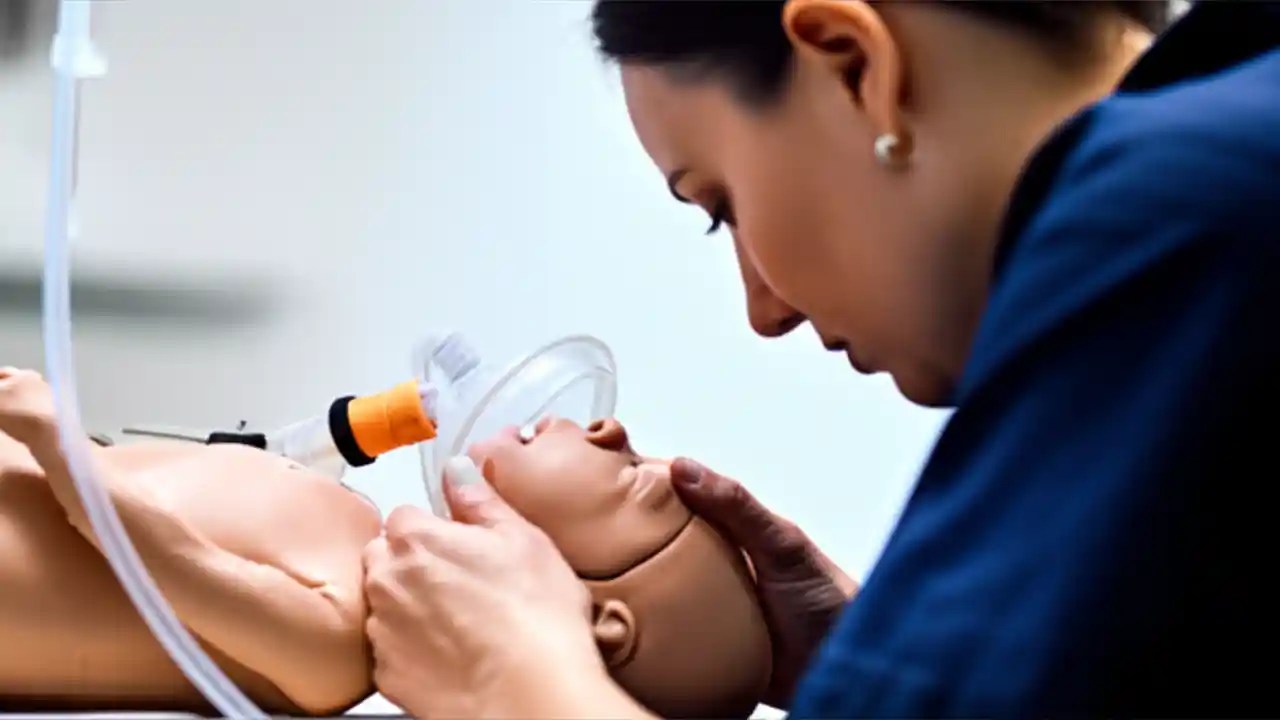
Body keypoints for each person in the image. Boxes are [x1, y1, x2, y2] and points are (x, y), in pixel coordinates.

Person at [361, 1, 1280, 717]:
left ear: (854, 64)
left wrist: (519, 688)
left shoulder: (1182, 217)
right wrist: (893, 676)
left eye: (719, 203)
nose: (764, 309)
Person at [0, 367, 771, 717]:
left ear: (596, 624)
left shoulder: (343, 652)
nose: (614, 431)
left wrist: (66, 451)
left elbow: (174, 573)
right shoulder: (354, 526)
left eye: (634, 480)